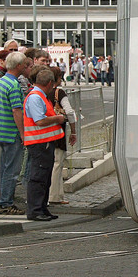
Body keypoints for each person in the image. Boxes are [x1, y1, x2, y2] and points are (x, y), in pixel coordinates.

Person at [23, 68, 66, 221]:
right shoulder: (35, 97)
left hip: (44, 142)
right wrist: (58, 119)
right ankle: (35, 210)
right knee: (39, 177)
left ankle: (41, 207)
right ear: (49, 83)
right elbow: (39, 120)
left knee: (44, 177)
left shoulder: (39, 96)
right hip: (39, 142)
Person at [0, 51, 30, 215]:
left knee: (5, 168)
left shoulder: (2, 81)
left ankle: (5, 200)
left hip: (2, 130)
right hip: (12, 132)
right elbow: (17, 110)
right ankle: (6, 202)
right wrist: (22, 133)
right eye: (24, 64)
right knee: (12, 170)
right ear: (19, 66)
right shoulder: (14, 85)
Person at [48, 66, 77, 205]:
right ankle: (54, 196)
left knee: (51, 164)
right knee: (57, 164)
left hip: (43, 133)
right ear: (57, 78)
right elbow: (70, 112)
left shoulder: (41, 92)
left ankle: (58, 195)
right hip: (57, 132)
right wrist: (74, 131)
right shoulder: (59, 93)